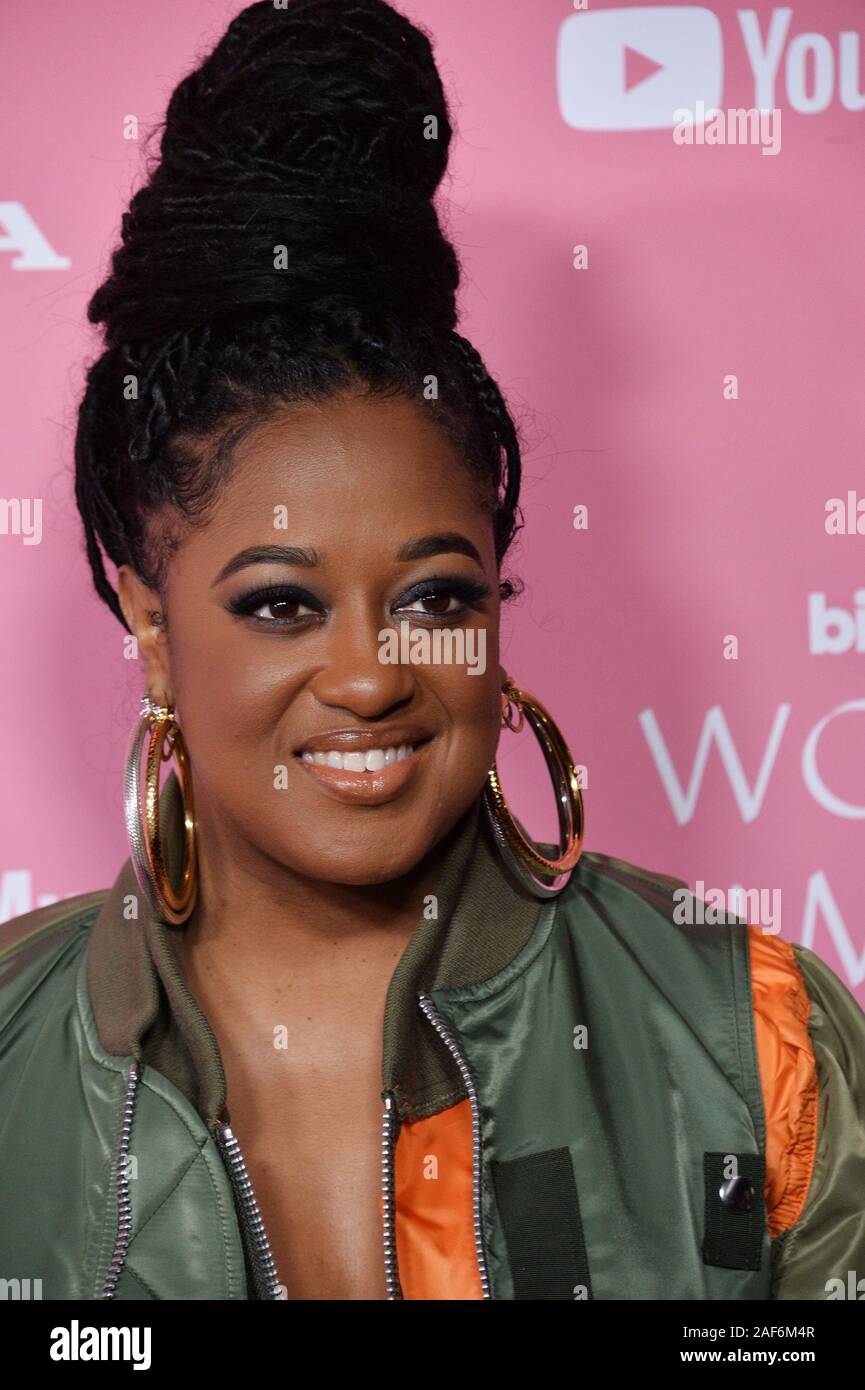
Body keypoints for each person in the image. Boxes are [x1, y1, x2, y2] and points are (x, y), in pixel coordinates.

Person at [1, 0, 863, 1303]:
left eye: (438, 596)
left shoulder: (758, 1037)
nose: (371, 674)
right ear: (150, 623)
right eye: (280, 603)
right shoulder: (12, 1053)